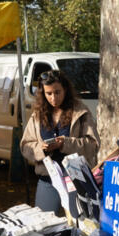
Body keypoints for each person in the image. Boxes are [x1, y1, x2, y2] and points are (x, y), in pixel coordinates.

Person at [19, 70, 99, 213]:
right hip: (48, 176)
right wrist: (41, 149)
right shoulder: (37, 115)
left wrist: (65, 143)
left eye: (57, 92)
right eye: (48, 93)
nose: (53, 98)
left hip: (76, 177)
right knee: (45, 223)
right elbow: (25, 146)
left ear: (65, 90)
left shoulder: (80, 112)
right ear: (42, 93)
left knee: (80, 223)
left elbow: (92, 145)